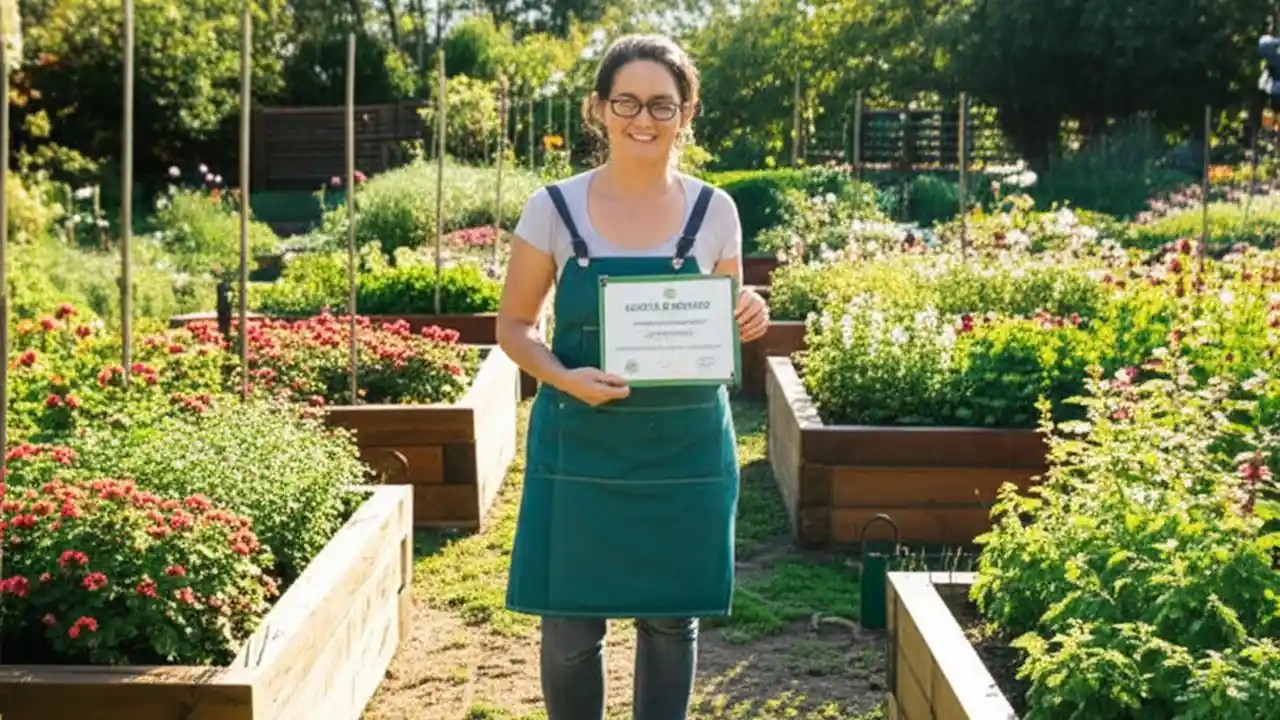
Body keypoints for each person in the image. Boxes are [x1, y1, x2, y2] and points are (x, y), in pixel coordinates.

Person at [496, 33, 770, 720]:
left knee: (672, 620)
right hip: (579, 440)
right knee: (568, 625)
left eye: (661, 105)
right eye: (626, 102)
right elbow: (515, 328)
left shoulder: (716, 212)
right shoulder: (552, 209)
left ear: (686, 114)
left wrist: (751, 308)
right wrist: (564, 378)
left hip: (686, 448)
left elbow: (723, 323)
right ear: (598, 109)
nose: (643, 120)